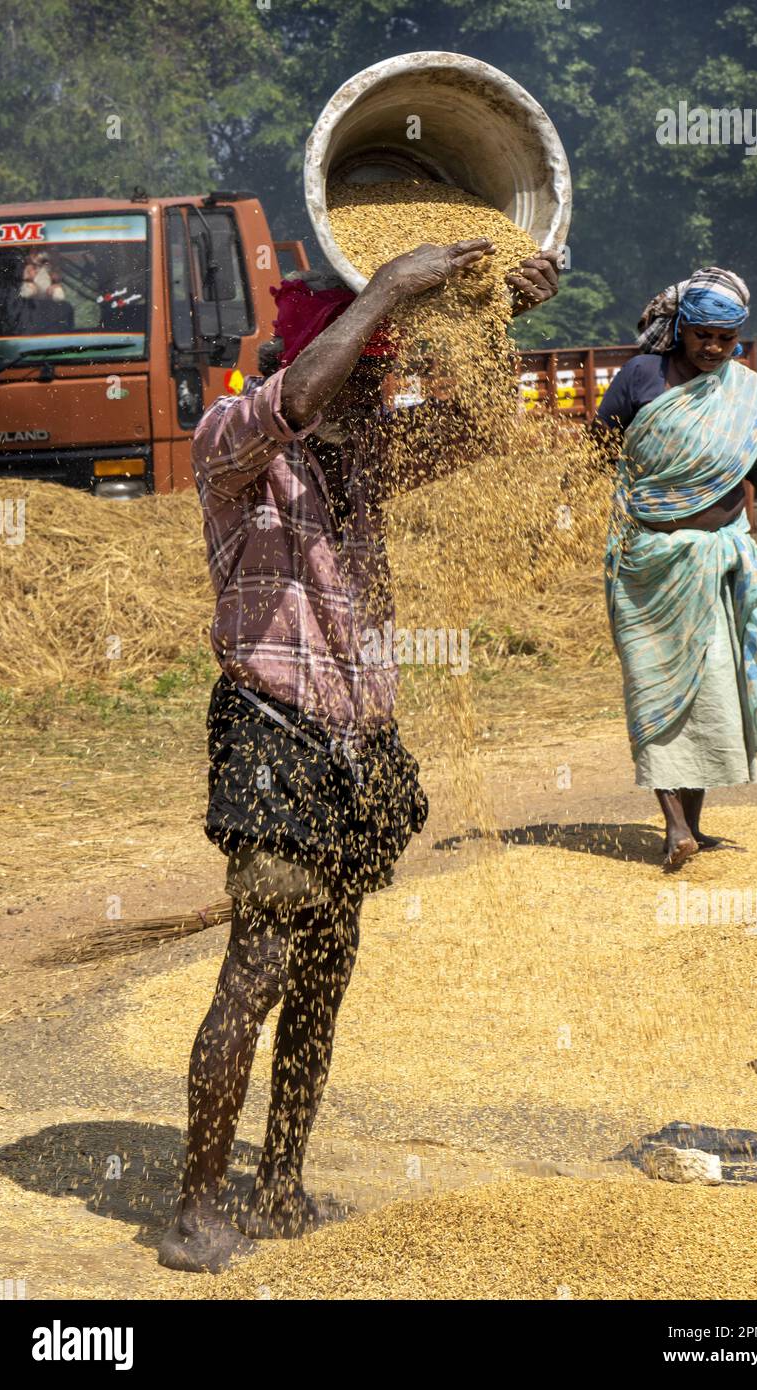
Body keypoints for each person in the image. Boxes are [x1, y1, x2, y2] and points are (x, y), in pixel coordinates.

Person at [157, 239, 560, 1273]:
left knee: (326, 973)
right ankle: (196, 1202)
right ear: (313, 360)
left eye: (384, 374)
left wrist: (484, 317)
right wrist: (387, 288)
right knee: (255, 969)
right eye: (367, 371)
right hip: (274, 733)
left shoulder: (366, 456)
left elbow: (478, 430)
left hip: (360, 744)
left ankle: (280, 1181)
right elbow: (294, 403)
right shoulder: (236, 441)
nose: (380, 394)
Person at [596, 267, 757, 870]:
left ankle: (688, 827)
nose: (713, 349)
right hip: (649, 565)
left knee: (708, 693)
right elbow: (596, 459)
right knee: (653, 686)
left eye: (726, 340)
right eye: (702, 335)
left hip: (720, 564)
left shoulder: (746, 395)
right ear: (679, 328)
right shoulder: (640, 378)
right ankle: (673, 824)